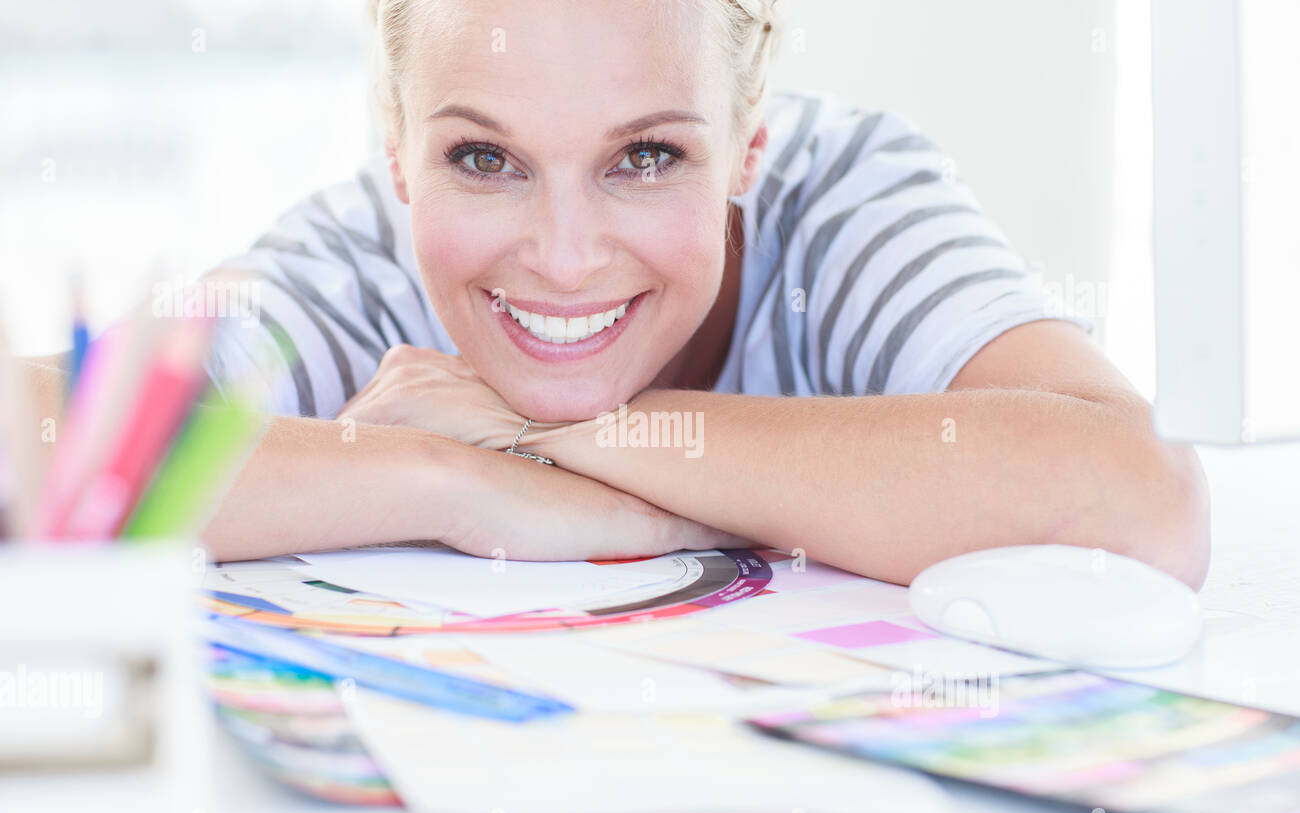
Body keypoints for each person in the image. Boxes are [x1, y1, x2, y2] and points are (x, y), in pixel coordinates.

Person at [24, 0, 1210, 588]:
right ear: (397, 154)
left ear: (750, 145)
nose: (563, 256)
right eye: (482, 159)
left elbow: (1139, 498)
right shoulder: (366, 259)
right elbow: (38, 443)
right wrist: (448, 478)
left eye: (645, 157)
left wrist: (562, 438)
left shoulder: (840, 204)